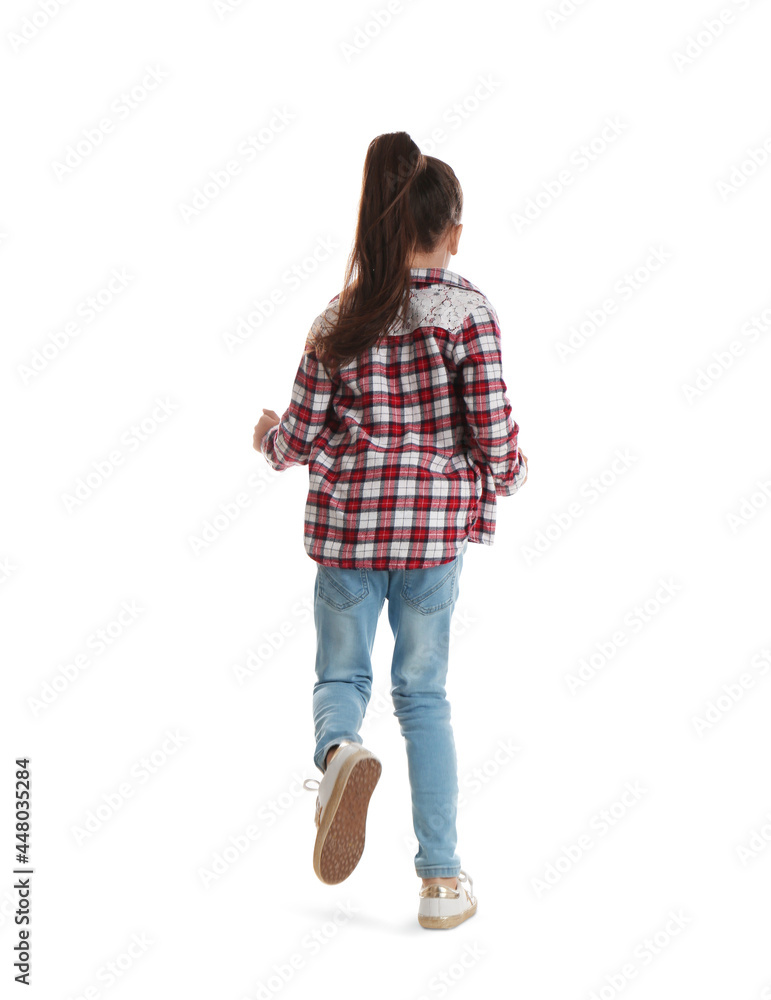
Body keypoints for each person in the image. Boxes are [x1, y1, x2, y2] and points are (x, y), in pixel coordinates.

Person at [252, 131, 528, 930]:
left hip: (348, 528)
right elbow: (492, 430)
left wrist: (264, 436)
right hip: (431, 536)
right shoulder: (467, 313)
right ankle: (441, 884)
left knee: (342, 681)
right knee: (424, 696)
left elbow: (297, 438)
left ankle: (341, 754)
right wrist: (509, 471)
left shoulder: (337, 318)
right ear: (452, 232)